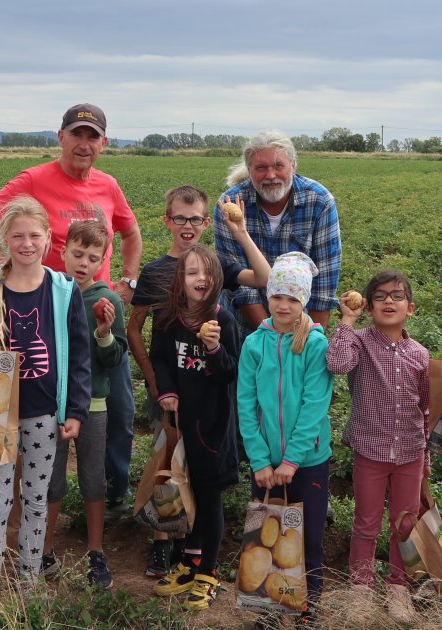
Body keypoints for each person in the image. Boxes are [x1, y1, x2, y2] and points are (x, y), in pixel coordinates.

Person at [0, 103, 140, 522]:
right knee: (48, 419)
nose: (84, 144)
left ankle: (115, 498)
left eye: (92, 137)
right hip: (51, 323)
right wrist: (13, 280)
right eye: (76, 134)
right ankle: (37, 509)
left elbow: (130, 233)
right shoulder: (35, 180)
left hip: (100, 316)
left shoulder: (108, 186)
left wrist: (127, 284)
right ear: (60, 137)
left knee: (120, 411)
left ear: (103, 144)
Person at [127, 184, 270, 577]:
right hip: (171, 387)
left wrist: (240, 232)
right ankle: (163, 545)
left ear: (206, 223)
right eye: (179, 218)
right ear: (167, 221)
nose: (187, 226)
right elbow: (136, 329)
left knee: (202, 474)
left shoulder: (217, 264)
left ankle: (197, 553)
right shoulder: (156, 271)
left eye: (195, 219)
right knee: (167, 464)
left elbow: (264, 277)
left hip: (208, 393)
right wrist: (155, 381)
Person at [0, 194, 91, 588]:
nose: (26, 244)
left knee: (37, 501)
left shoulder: (64, 289)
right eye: (17, 236)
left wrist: (75, 410)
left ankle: (28, 584)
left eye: (34, 235)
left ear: (48, 238)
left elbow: (80, 352)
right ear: (6, 239)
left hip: (43, 414)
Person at [325, 268, 429, 623]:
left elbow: (426, 407)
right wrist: (347, 321)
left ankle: (398, 588)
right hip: (370, 449)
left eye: (397, 296)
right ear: (369, 306)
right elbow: (336, 363)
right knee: (366, 522)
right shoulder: (359, 341)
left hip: (411, 451)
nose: (389, 301)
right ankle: (361, 588)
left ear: (410, 308)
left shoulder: (420, 354)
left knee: (404, 523)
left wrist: (426, 454)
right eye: (381, 296)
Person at [238, 252, 332, 622]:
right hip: (266, 463)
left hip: (307, 461)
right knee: (268, 535)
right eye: (277, 295)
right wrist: (260, 460)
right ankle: (269, 607)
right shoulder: (254, 345)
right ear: (268, 296)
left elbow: (314, 406)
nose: (283, 304)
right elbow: (245, 405)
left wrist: (292, 459)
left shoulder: (314, 344)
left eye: (292, 298)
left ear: (303, 301)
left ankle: (309, 607)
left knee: (307, 538)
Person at [149, 245, 241, 612]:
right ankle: (189, 561)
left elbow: (232, 371)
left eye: (207, 272)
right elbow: (160, 358)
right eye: (191, 273)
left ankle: (210, 571)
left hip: (214, 425)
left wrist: (215, 349)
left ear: (216, 279)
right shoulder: (170, 319)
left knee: (209, 495)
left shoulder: (224, 321)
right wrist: (167, 391)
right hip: (182, 422)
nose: (200, 279)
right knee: (186, 492)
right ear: (180, 280)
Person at [41, 220, 126, 589]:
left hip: (92, 403)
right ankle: (43, 549)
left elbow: (115, 359)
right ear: (62, 251)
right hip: (51, 404)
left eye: (93, 258)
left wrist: (104, 333)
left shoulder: (108, 301)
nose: (83, 263)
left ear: (103, 261)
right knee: (51, 478)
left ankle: (96, 551)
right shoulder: (48, 292)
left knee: (92, 475)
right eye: (77, 254)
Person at [214, 129, 342, 329]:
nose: (271, 175)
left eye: (278, 166)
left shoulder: (319, 201)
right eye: (261, 168)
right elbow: (240, 285)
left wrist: (311, 341)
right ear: (249, 170)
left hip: (300, 321)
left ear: (293, 166)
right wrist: (270, 338)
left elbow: (324, 283)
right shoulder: (230, 206)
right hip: (246, 325)